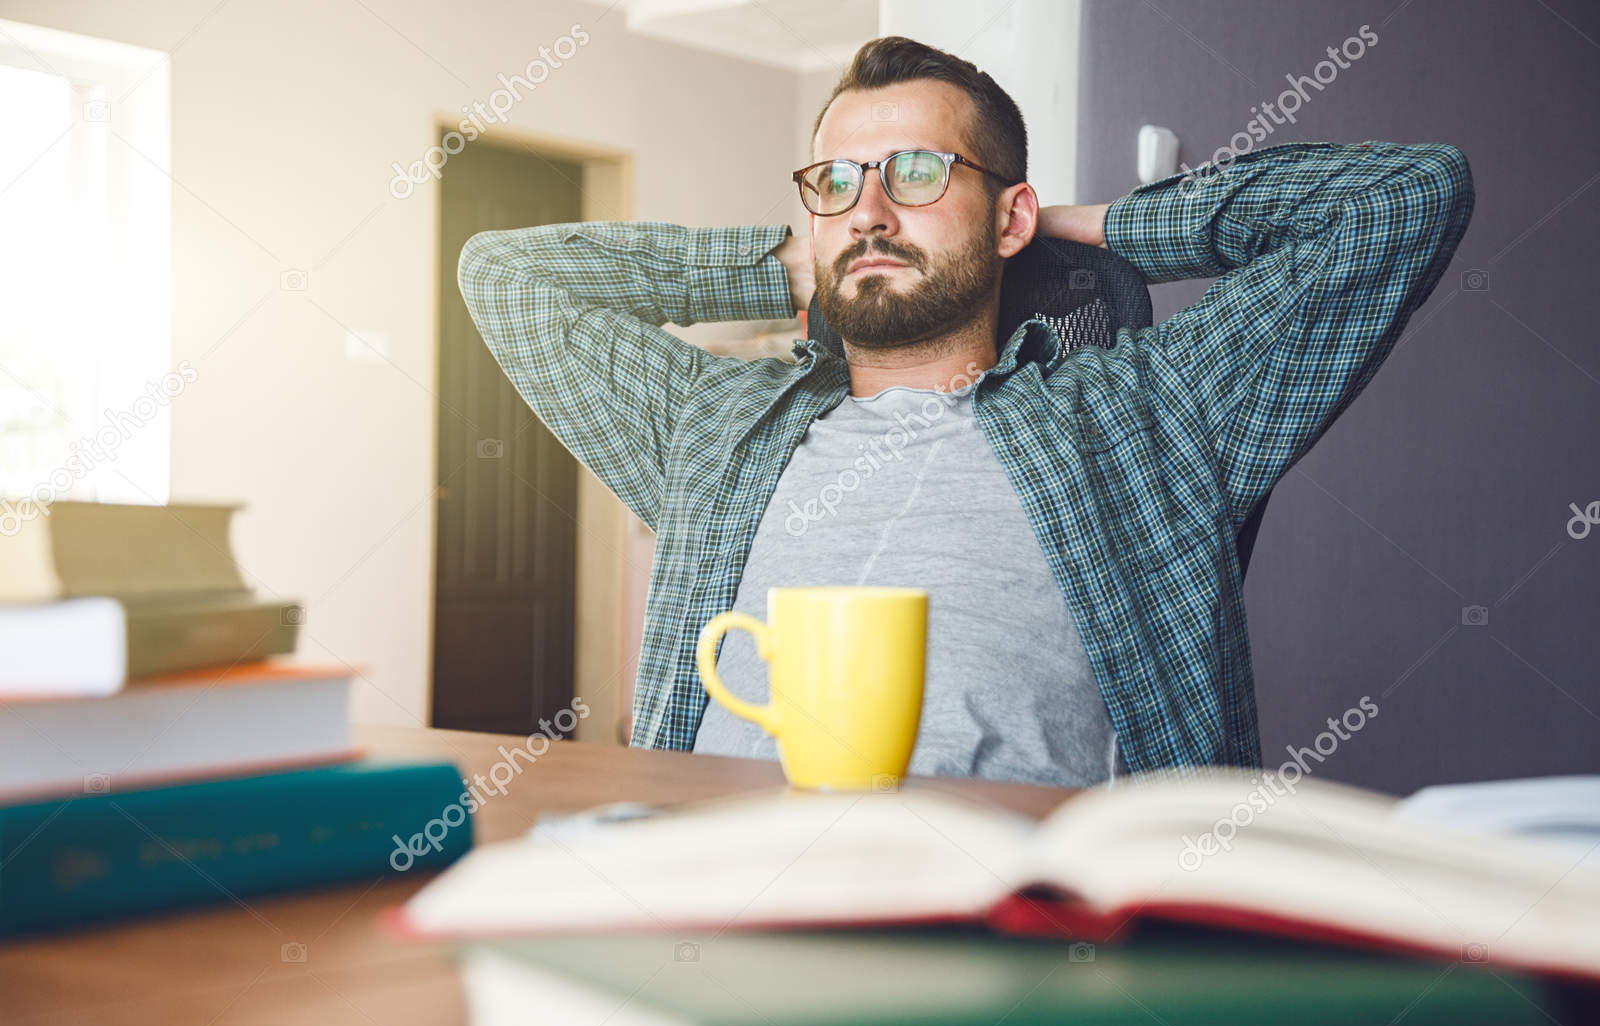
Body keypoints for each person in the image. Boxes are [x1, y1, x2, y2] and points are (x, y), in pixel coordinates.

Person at [457, 35, 1473, 786]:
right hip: (730, 906)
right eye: (837, 182)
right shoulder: (713, 426)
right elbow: (508, 276)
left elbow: (1401, 198)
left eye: (916, 172)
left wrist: (1084, 233)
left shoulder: (1144, 416)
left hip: (1025, 939)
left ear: (1008, 213)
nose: (870, 208)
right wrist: (785, 262)